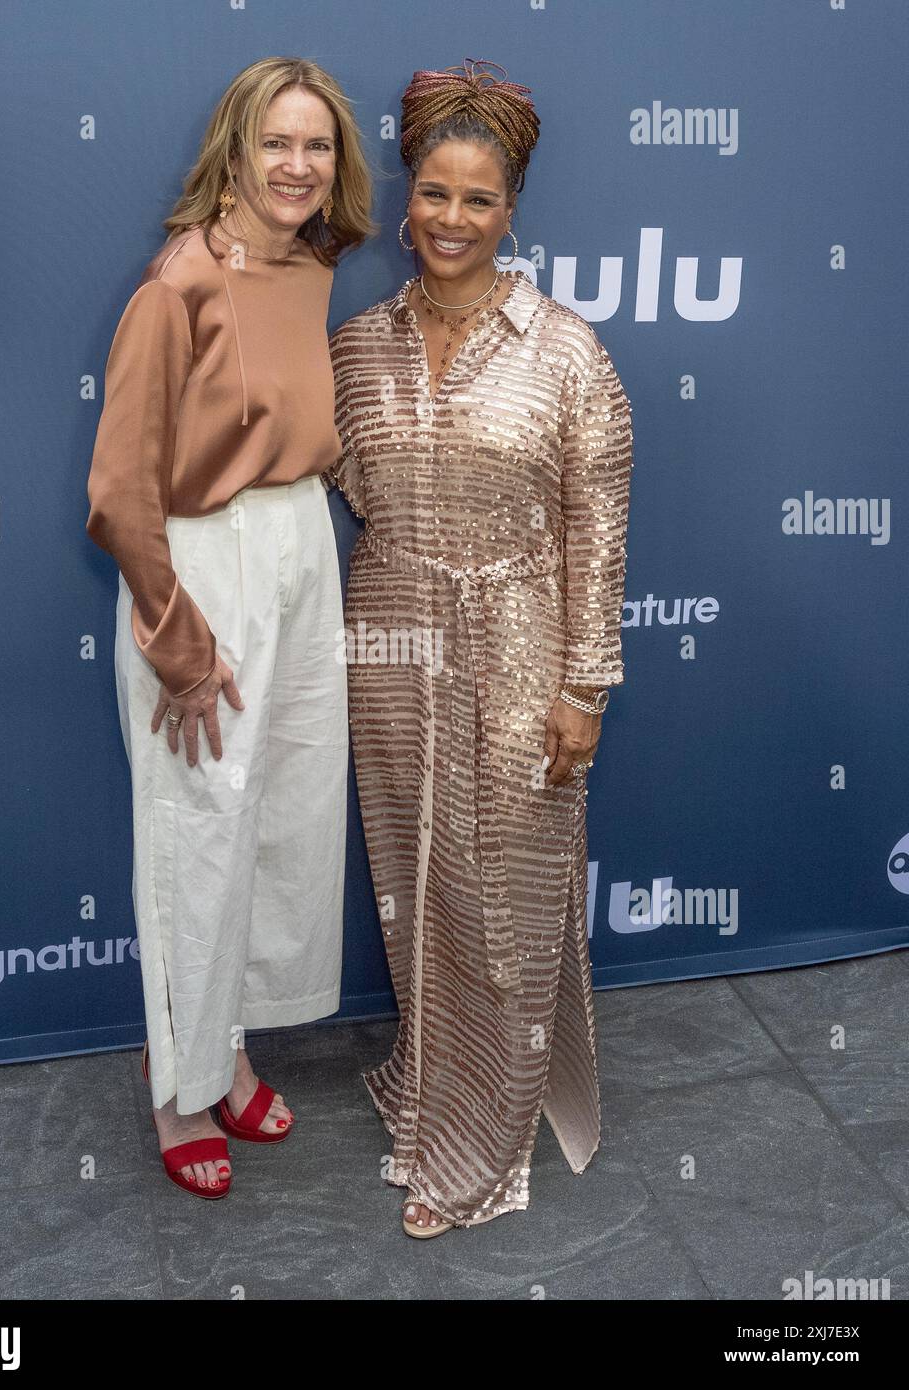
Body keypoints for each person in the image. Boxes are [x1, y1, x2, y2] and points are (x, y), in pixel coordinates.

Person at [323, 58, 634, 1234]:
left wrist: (582, 685)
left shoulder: (566, 351)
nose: (451, 218)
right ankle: (432, 1087)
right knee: (414, 890)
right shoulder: (355, 347)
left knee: (502, 895)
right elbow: (339, 480)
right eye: (433, 193)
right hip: (387, 645)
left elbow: (596, 526)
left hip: (519, 648)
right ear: (405, 197)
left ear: (510, 211)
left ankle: (475, 1153)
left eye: (478, 198)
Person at [86, 57, 373, 1199]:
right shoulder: (179, 283)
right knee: (198, 831)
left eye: (317, 145)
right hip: (204, 565)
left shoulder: (310, 267)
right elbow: (119, 492)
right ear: (234, 150)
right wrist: (178, 642)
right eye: (276, 143)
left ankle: (230, 1052)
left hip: (301, 548)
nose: (297, 165)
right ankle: (178, 1086)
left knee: (283, 817)